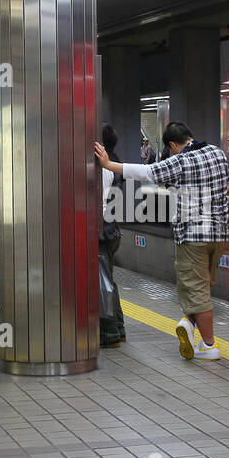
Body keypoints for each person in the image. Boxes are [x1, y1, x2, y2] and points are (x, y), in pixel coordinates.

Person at [94, 121, 228, 361]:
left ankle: (209, 346)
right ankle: (188, 324)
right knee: (204, 286)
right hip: (219, 234)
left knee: (195, 290)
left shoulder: (180, 161)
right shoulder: (217, 153)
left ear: (173, 145)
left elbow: (146, 173)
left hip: (193, 235)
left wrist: (107, 164)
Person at [98, 124, 127, 348]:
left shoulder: (103, 167)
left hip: (102, 232)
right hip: (112, 230)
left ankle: (109, 335)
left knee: (102, 281)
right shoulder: (114, 162)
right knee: (109, 280)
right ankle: (119, 329)